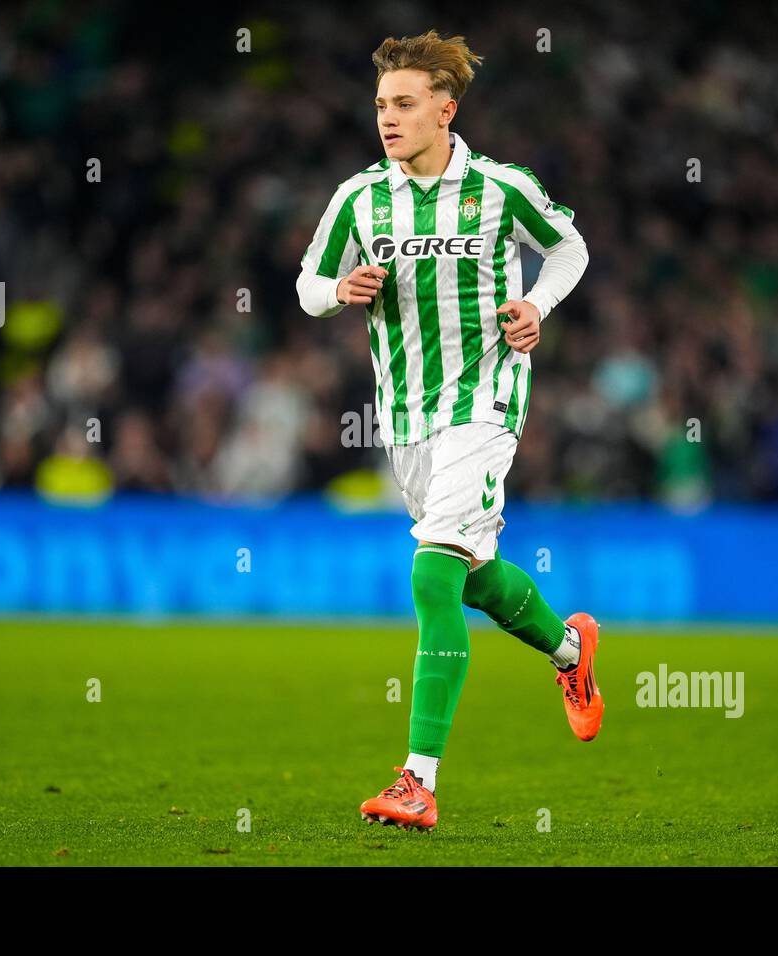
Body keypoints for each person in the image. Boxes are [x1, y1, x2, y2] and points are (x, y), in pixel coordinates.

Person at [296, 29, 597, 831]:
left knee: (432, 575)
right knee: (473, 575)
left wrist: (536, 304)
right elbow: (305, 284)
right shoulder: (360, 198)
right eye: (380, 105)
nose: (387, 118)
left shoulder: (500, 188)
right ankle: (571, 652)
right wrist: (340, 289)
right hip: (405, 414)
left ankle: (416, 779)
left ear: (445, 110)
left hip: (486, 399)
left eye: (403, 104)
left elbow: (568, 246)